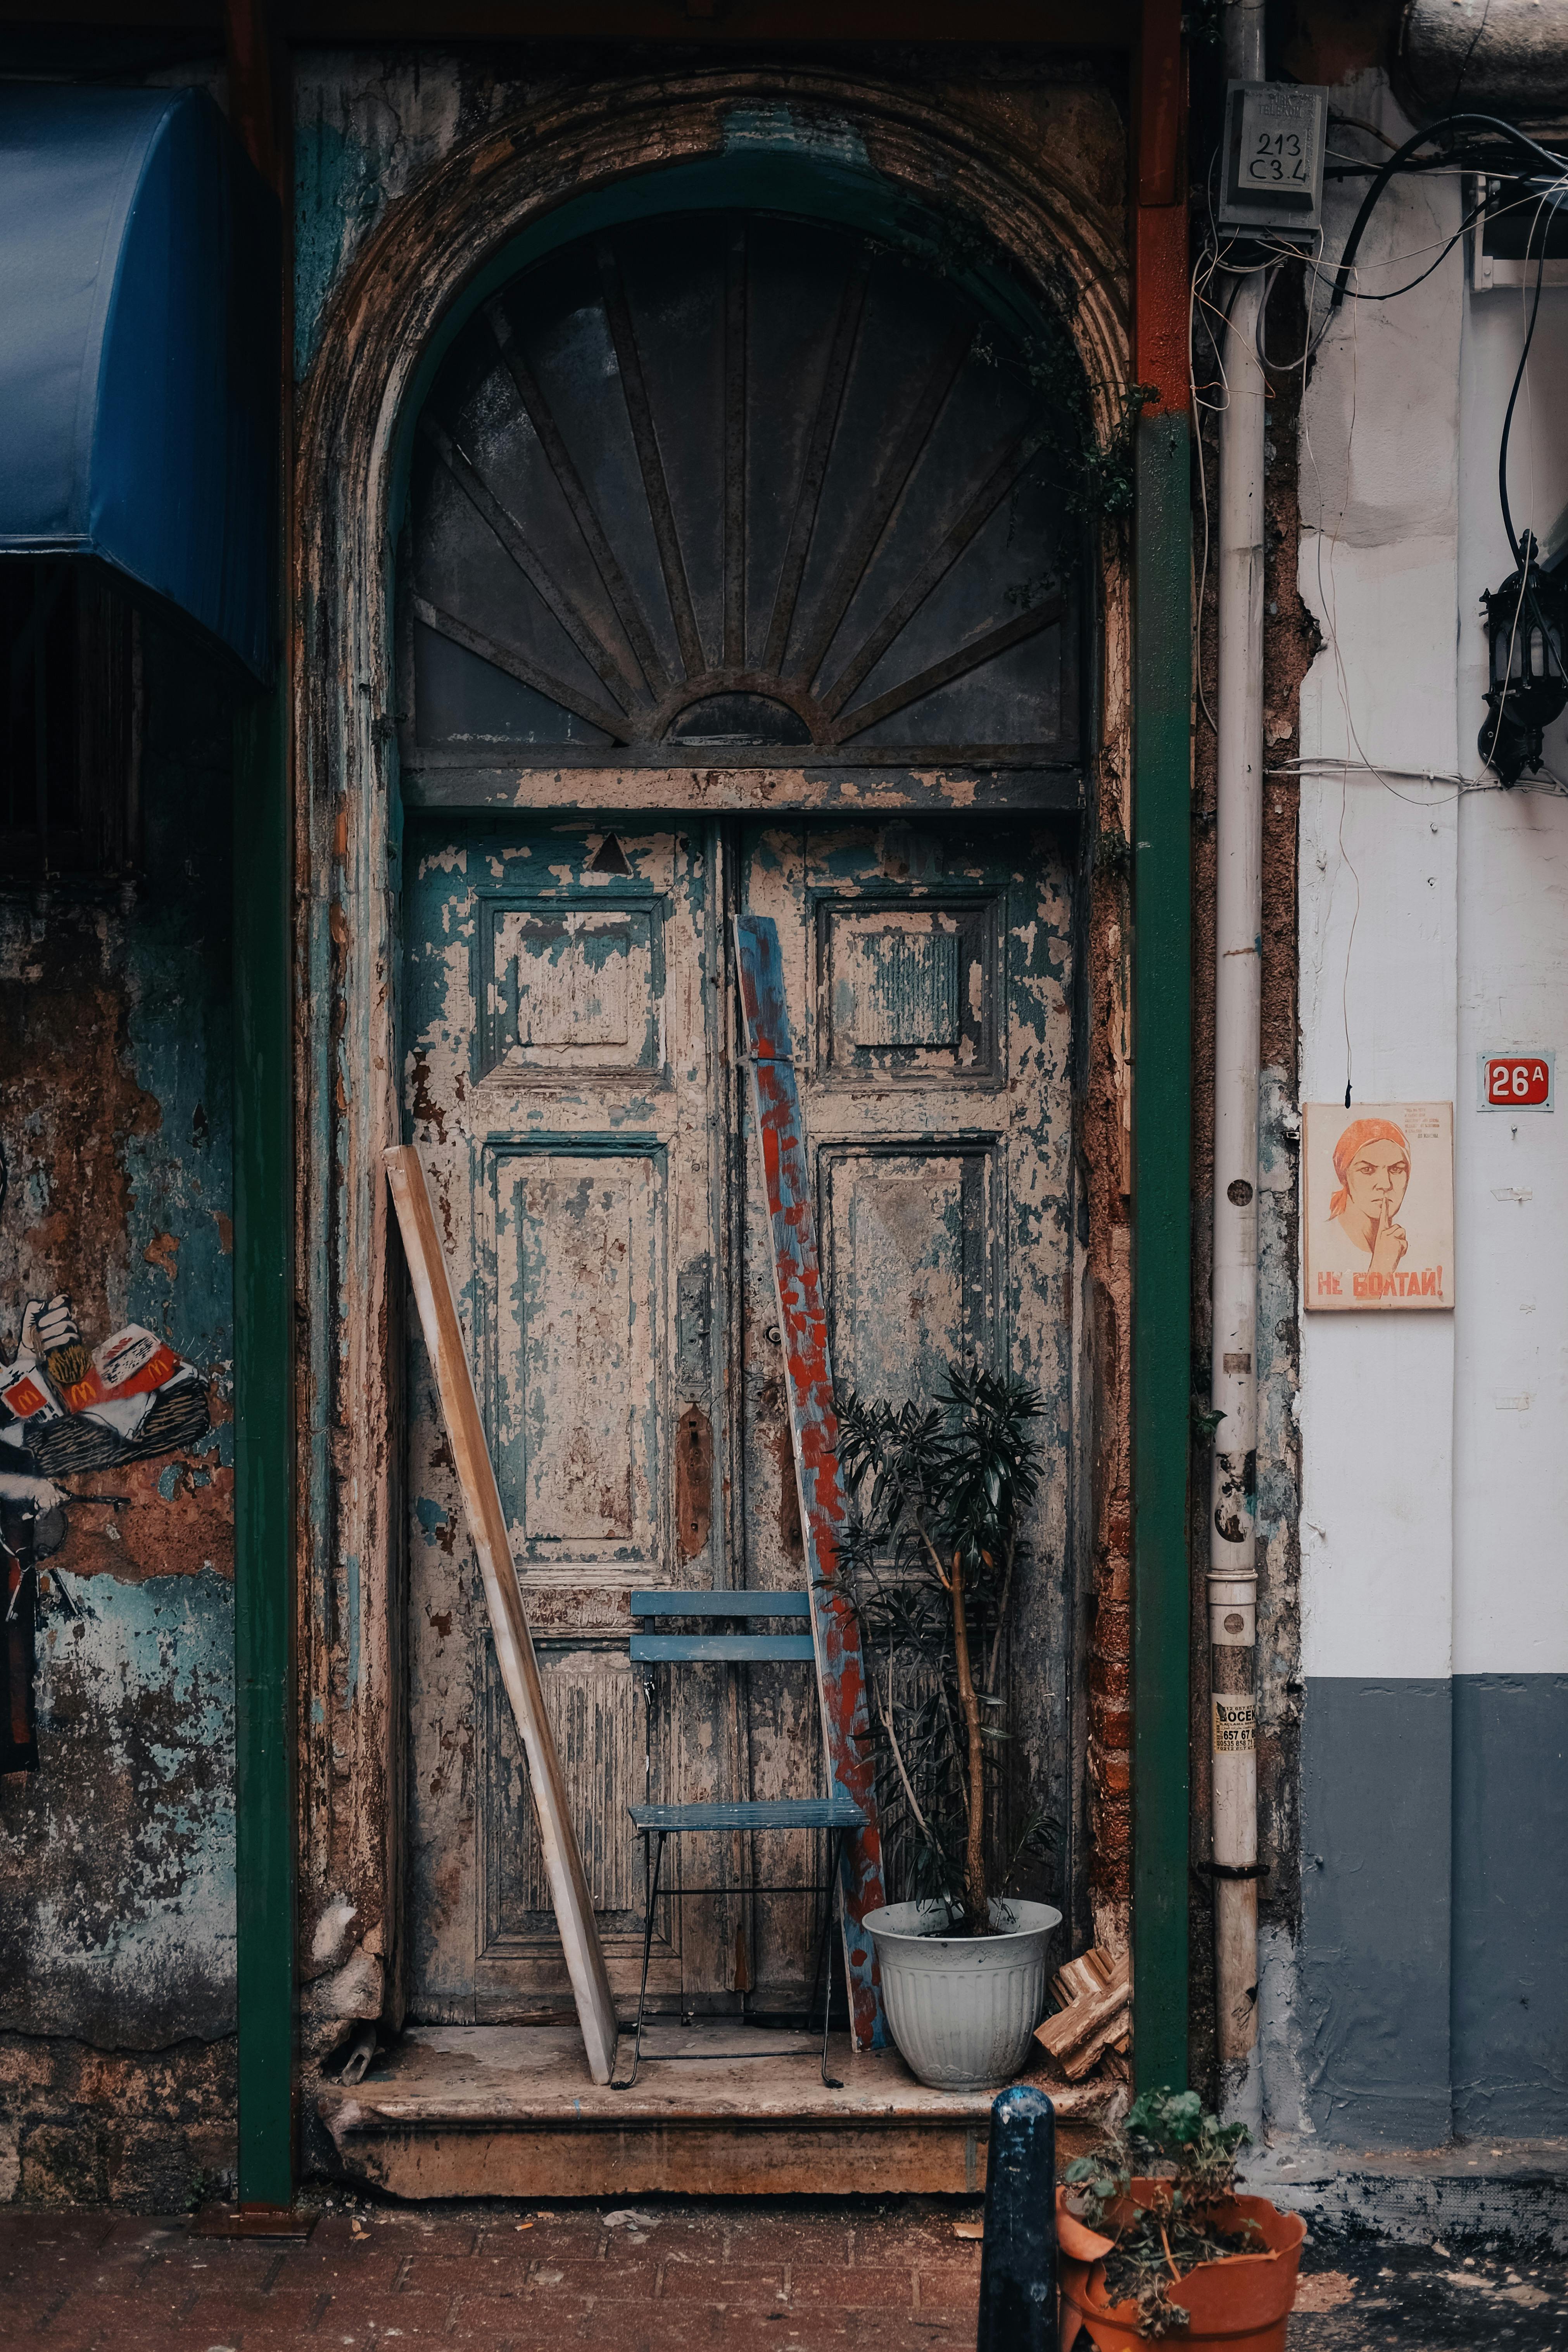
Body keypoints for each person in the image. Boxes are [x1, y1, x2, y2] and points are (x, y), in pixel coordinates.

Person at [1321, 1116, 1411, 1274]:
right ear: (1344, 1176)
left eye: (1396, 1170)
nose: (1385, 1184)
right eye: (1367, 1170)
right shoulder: (1324, 1242)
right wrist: (1382, 1267)